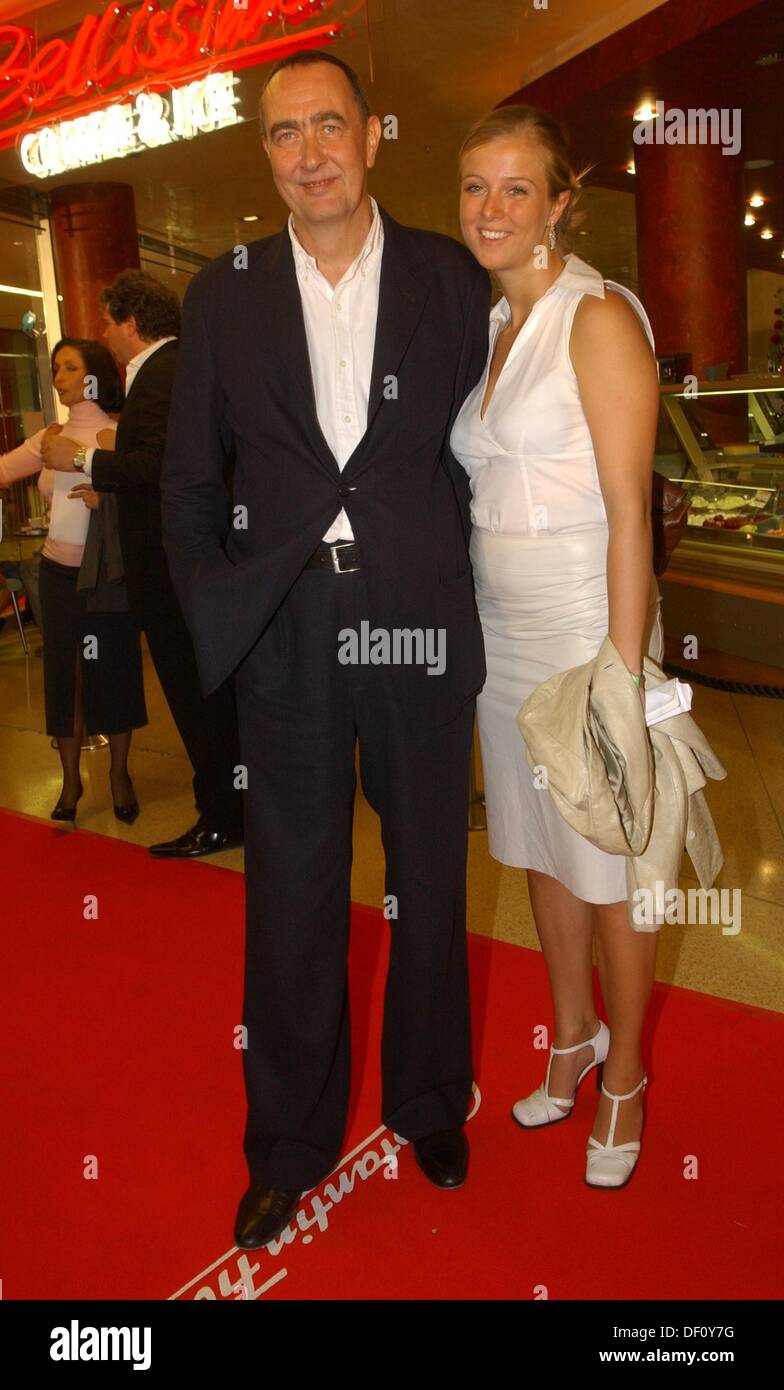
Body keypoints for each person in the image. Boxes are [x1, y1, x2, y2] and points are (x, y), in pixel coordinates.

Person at [161, 51, 490, 1247]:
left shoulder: (450, 280)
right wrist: (223, 615)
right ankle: (286, 1143)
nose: (308, 152)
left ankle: (426, 1100)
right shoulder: (227, 291)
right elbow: (190, 477)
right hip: (289, 625)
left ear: (372, 132)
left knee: (430, 876)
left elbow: (480, 453)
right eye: (284, 133)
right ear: (267, 154)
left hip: (413, 617)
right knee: (291, 895)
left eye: (327, 126)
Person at [451, 105, 663, 1189]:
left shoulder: (596, 318)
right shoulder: (495, 324)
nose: (491, 209)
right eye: (475, 188)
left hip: (588, 626)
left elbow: (632, 510)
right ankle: (569, 1037)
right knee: (540, 854)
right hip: (503, 633)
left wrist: (621, 680)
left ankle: (624, 1073)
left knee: (612, 868)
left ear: (560, 202)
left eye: (516, 188)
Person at [42, 271, 243, 857]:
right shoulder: (173, 367)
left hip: (174, 565)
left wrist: (80, 456)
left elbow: (160, 463)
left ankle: (223, 813)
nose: (104, 330)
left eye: (107, 319)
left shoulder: (161, 374)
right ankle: (230, 802)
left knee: (195, 692)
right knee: (205, 691)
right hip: (190, 559)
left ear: (131, 323)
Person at [0, 338, 146, 819]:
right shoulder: (50, 436)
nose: (59, 377)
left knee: (116, 669)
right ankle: (68, 784)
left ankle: (119, 774)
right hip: (56, 573)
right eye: (57, 368)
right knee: (63, 673)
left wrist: (108, 501)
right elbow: (3, 471)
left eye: (69, 368)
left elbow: (151, 502)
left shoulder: (115, 435)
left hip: (107, 573)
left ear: (93, 378)